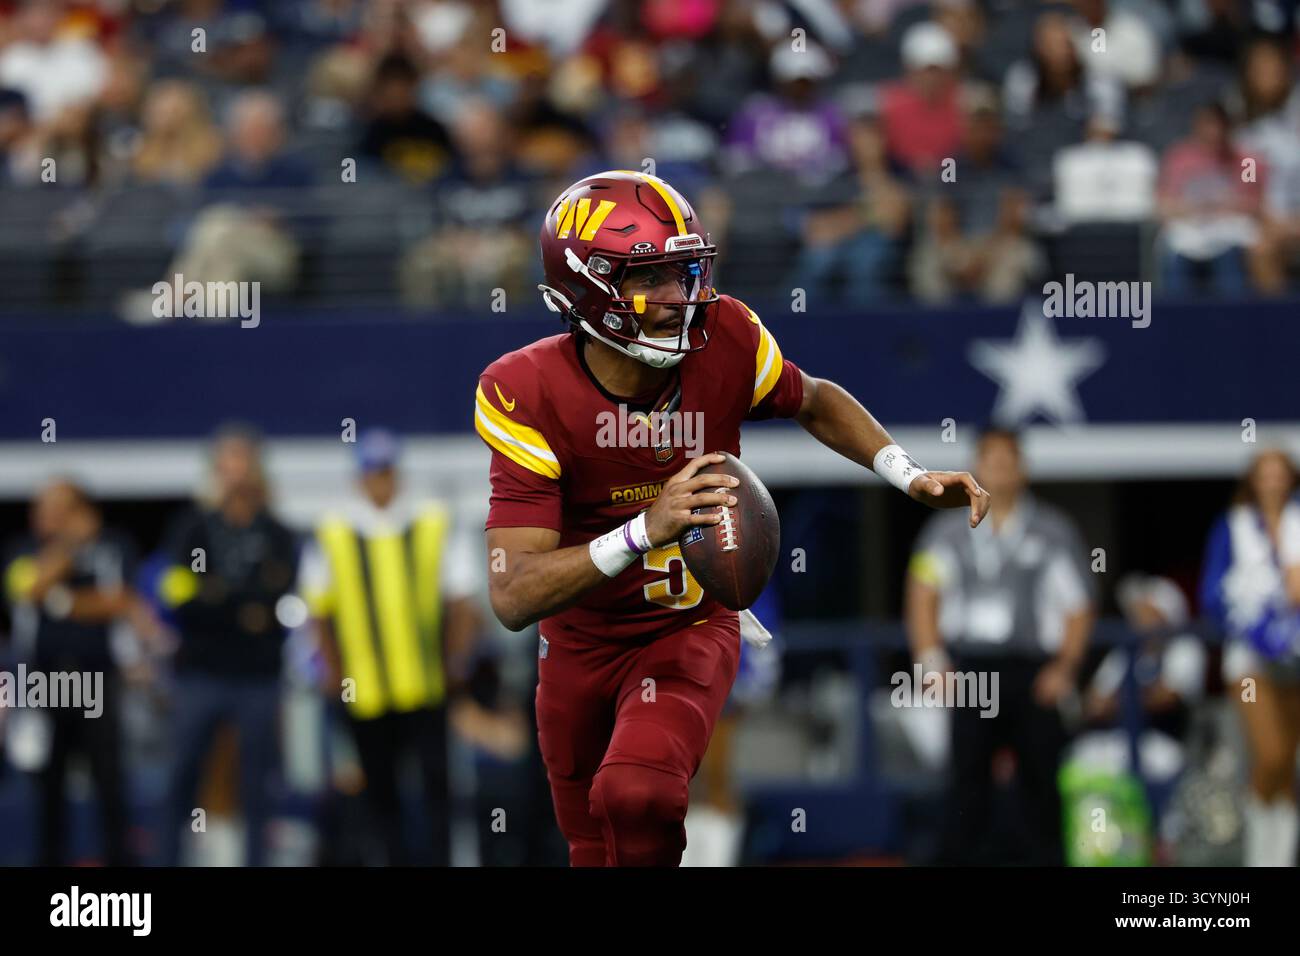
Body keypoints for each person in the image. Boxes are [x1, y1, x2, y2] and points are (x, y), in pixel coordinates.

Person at [475, 169, 990, 867]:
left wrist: (908, 473)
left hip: (688, 624)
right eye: (649, 279)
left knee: (638, 794)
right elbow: (513, 595)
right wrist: (642, 531)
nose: (676, 299)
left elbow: (812, 397)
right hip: (578, 650)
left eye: (684, 273)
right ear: (586, 286)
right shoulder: (525, 389)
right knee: (593, 845)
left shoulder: (727, 335)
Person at [905, 428, 1094, 865]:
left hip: (1031, 669)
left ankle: (1046, 859)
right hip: (971, 667)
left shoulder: (1052, 531)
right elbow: (921, 592)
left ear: (1023, 468)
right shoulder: (947, 530)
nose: (1001, 470)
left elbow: (1079, 606)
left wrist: (1065, 667)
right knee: (966, 779)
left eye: (1009, 461)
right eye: (991, 460)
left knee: (1042, 777)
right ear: (977, 465)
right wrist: (931, 660)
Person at [299, 428, 480, 865]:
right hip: (364, 688)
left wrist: (455, 661)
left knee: (438, 787)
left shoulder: (432, 521)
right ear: (360, 477)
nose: (380, 482)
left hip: (426, 683)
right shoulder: (334, 529)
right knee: (379, 792)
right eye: (372, 473)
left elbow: (461, 600)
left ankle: (439, 860)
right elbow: (318, 611)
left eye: (386, 472)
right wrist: (332, 673)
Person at [154, 425, 298, 866]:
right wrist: (241, 605)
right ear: (215, 471)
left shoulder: (278, 533)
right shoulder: (191, 528)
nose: (236, 475)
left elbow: (280, 601)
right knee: (181, 777)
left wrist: (216, 594)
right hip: (201, 673)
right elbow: (179, 595)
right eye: (227, 464)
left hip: (258, 676)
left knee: (258, 784)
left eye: (243, 464)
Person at [2, 479, 137, 865]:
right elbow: (29, 588)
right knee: (48, 781)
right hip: (46, 679)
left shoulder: (112, 546)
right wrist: (67, 547)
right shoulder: (23, 550)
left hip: (98, 677)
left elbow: (121, 601)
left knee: (109, 779)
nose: (48, 518)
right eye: (43, 509)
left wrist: (61, 601)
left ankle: (119, 862)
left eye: (61, 509)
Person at [1200, 448, 1300, 867]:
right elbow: (1212, 595)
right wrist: (1254, 625)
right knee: (1272, 755)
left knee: (1289, 767)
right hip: (1249, 661)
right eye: (1266, 474)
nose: (1274, 483)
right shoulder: (1233, 526)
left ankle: (1281, 859)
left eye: (1281, 474)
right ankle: (1260, 858)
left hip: (1296, 657)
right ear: (1253, 481)